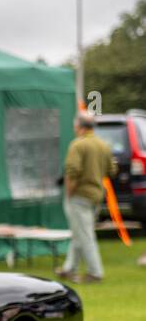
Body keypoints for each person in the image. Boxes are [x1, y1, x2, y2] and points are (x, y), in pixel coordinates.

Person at [58, 112, 116, 284]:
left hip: (79, 196)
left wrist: (69, 193)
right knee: (79, 232)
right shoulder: (104, 145)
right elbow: (112, 170)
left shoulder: (78, 145)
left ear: (80, 127)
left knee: (85, 235)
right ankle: (69, 268)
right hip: (96, 196)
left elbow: (72, 171)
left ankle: (95, 272)